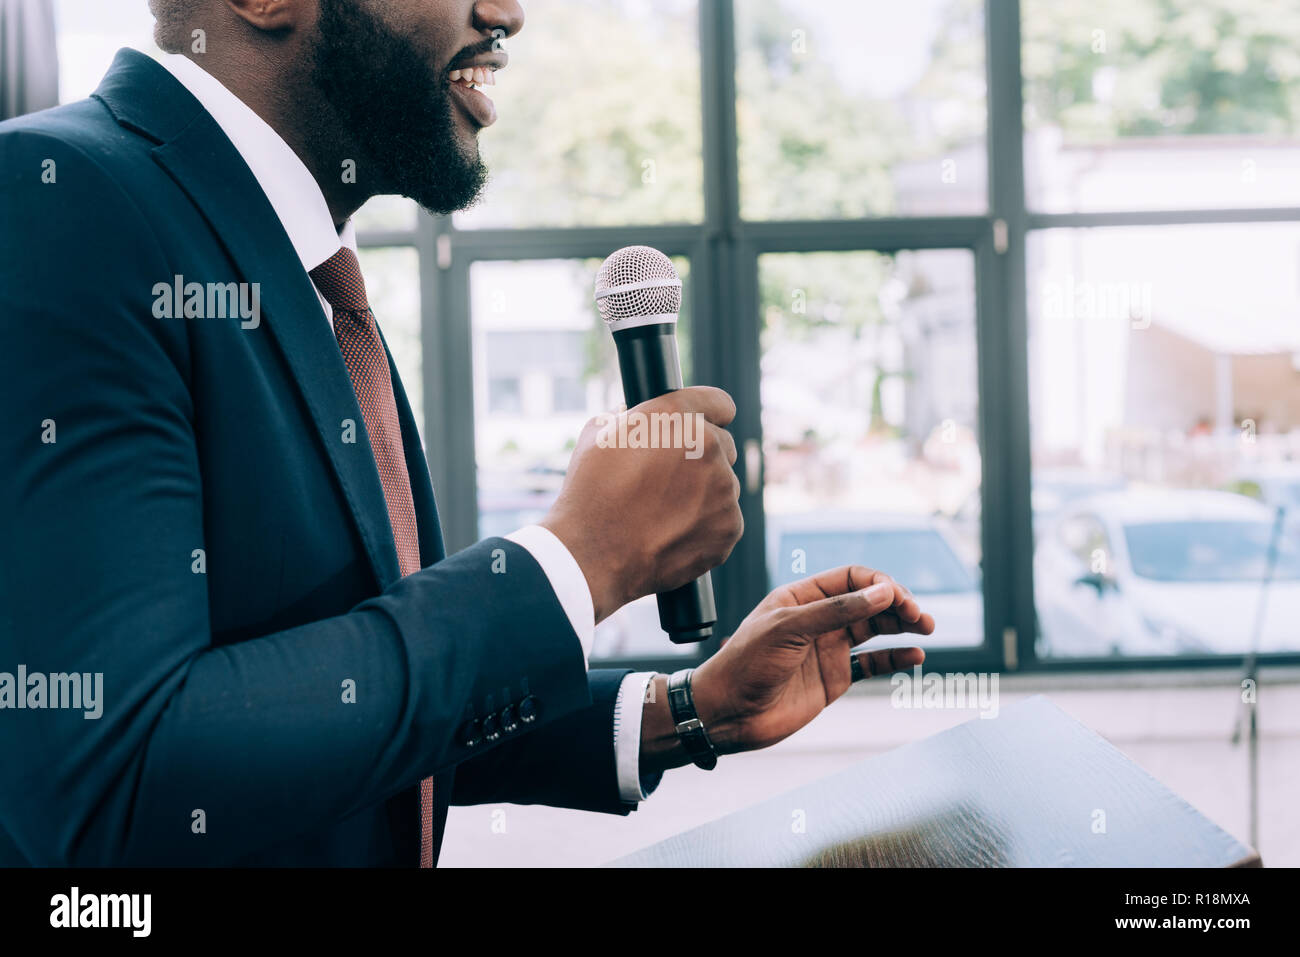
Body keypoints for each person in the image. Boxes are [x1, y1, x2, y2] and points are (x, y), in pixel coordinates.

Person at [0, 0, 933, 866]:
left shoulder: (304, 263)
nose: (507, 12)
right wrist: (580, 556)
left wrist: (685, 710)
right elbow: (116, 778)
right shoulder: (58, 196)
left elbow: (348, 704)